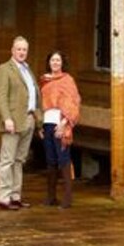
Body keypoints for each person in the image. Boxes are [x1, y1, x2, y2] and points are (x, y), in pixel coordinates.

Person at [0, 35, 39, 209]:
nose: (22, 52)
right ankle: (3, 198)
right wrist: (7, 118)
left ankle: (15, 196)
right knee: (7, 160)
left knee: (19, 160)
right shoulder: (4, 69)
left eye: (24, 49)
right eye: (19, 49)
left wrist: (38, 120)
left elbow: (34, 95)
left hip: (28, 119)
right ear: (12, 50)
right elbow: (0, 96)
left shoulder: (27, 69)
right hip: (12, 120)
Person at [39, 49, 81, 208]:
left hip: (61, 123)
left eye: (58, 60)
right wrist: (41, 125)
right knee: (50, 160)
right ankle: (51, 197)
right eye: (52, 60)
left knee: (63, 159)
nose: (55, 63)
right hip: (47, 123)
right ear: (48, 62)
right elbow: (41, 103)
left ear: (62, 63)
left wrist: (63, 124)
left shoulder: (67, 80)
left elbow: (73, 103)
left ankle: (67, 198)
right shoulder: (44, 80)